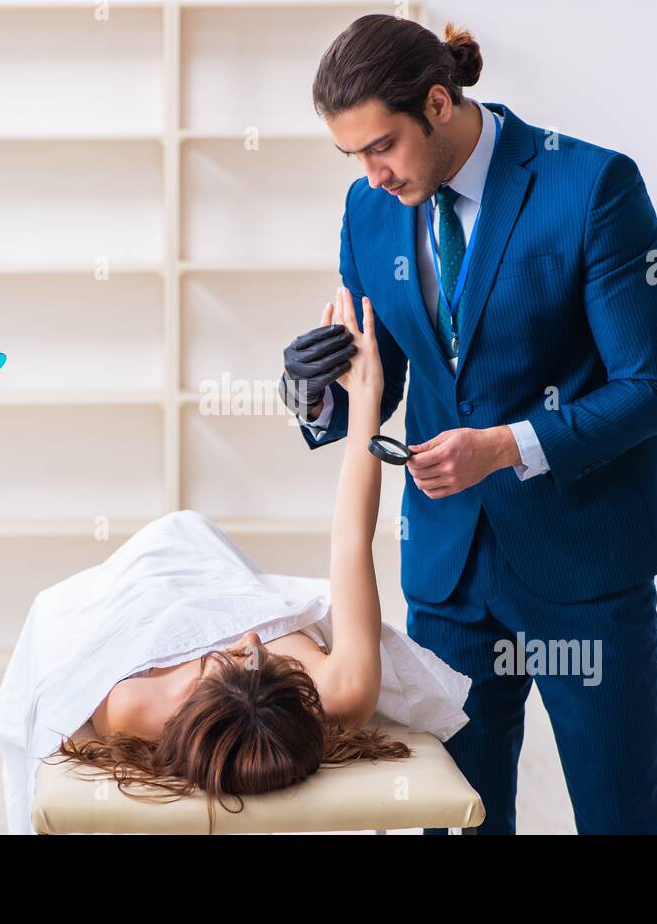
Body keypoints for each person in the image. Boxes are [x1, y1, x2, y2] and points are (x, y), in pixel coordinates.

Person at [278, 15, 657, 834]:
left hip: (587, 566)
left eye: (382, 146)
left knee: (620, 816)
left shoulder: (594, 187)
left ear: (439, 102)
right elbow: (386, 375)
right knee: (455, 818)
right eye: (351, 156)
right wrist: (313, 387)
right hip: (451, 572)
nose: (369, 175)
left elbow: (653, 387)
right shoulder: (370, 213)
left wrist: (506, 447)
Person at [44, 289, 415, 828]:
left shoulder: (133, 708)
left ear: (188, 705)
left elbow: (82, 635)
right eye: (265, 664)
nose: (249, 640)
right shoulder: (341, 695)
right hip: (222, 567)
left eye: (224, 662)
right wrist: (366, 398)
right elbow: (351, 540)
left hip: (145, 576)